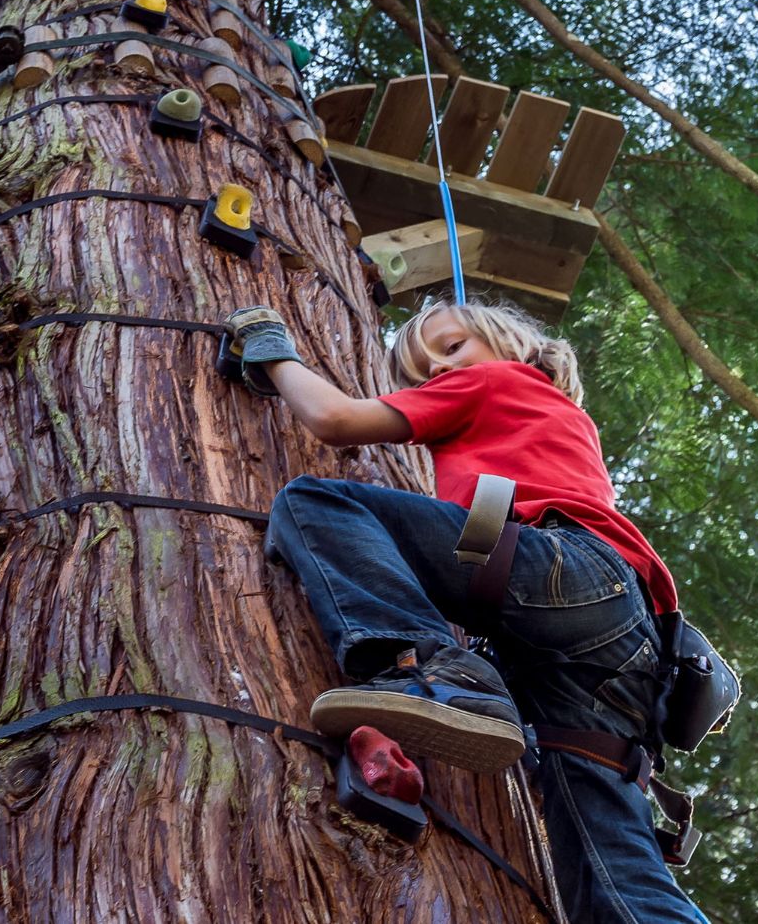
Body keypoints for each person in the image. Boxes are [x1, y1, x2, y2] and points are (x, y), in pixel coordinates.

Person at [227, 299, 706, 924]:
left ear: (514, 345)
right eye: (421, 372)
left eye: (451, 348)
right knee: (615, 881)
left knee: (314, 503)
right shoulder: (560, 418)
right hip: (620, 647)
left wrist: (273, 352)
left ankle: (435, 673)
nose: (435, 373)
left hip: (565, 572)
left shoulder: (493, 380)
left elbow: (335, 419)